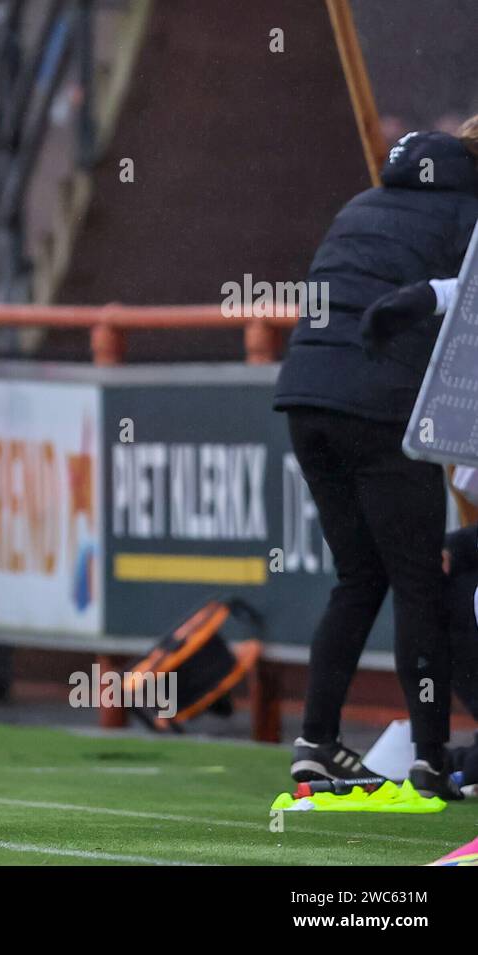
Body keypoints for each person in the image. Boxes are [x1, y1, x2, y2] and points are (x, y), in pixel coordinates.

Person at [274, 122, 478, 800]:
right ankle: (428, 757)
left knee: (358, 577)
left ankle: (316, 743)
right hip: (381, 407)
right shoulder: (465, 211)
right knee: (419, 580)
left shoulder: (360, 203)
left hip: (306, 399)